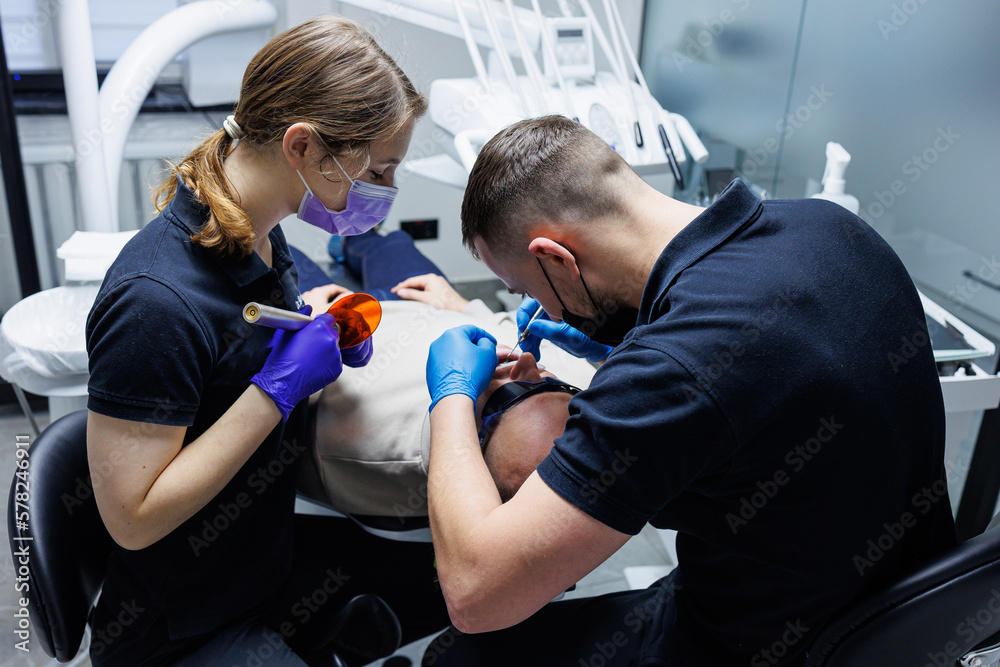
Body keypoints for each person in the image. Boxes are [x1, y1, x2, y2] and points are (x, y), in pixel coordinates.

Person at [419, 115, 957, 666]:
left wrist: (453, 397)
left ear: (558, 258)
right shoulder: (830, 225)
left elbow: (476, 596)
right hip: (908, 617)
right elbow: (761, 375)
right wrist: (619, 348)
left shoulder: (669, 373)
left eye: (527, 289)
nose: (544, 312)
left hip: (764, 647)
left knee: (456, 654)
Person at [85, 15, 443, 666]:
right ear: (302, 147)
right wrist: (276, 389)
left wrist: (308, 321)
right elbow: (131, 517)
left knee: (460, 579)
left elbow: (231, 345)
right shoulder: (155, 305)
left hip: (258, 562)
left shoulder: (255, 234)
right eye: (379, 171)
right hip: (182, 627)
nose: (385, 193)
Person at [292, 230, 597, 518]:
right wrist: (463, 306)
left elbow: (299, 400)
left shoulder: (374, 449)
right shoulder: (581, 391)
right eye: (550, 382)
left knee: (286, 256)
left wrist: (308, 323)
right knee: (391, 246)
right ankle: (350, 241)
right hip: (429, 304)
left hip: (340, 326)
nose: (529, 363)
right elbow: (515, 332)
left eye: (511, 395)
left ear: (465, 440)